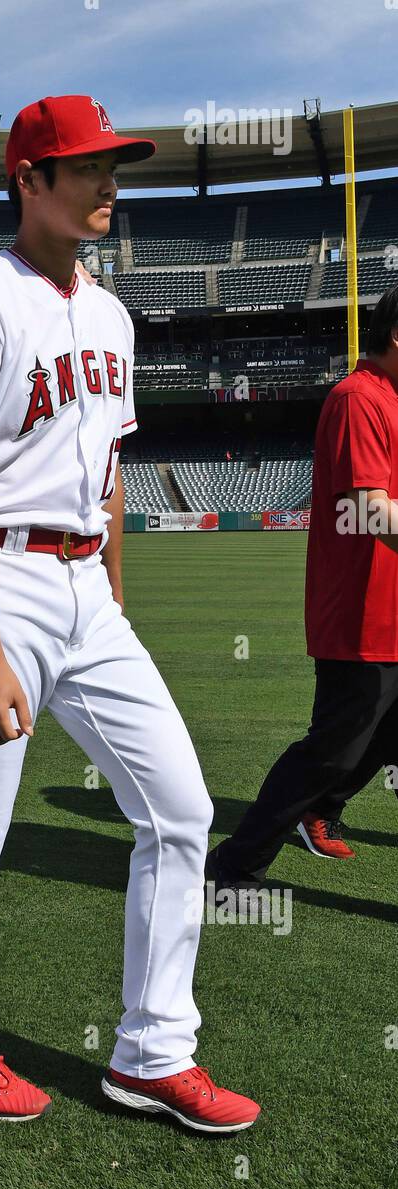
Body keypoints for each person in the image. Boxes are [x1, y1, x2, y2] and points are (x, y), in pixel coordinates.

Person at [0, 95, 260, 1134]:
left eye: (114, 166)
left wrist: (109, 593)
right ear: (27, 181)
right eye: (85, 168)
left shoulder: (109, 313)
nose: (109, 185)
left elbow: (108, 465)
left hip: (84, 588)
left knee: (180, 809)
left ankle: (152, 1052)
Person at [208, 285, 398, 888]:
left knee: (380, 738)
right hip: (360, 615)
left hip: (391, 609)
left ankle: (321, 810)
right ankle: (233, 865)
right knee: (334, 747)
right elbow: (371, 510)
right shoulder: (357, 398)